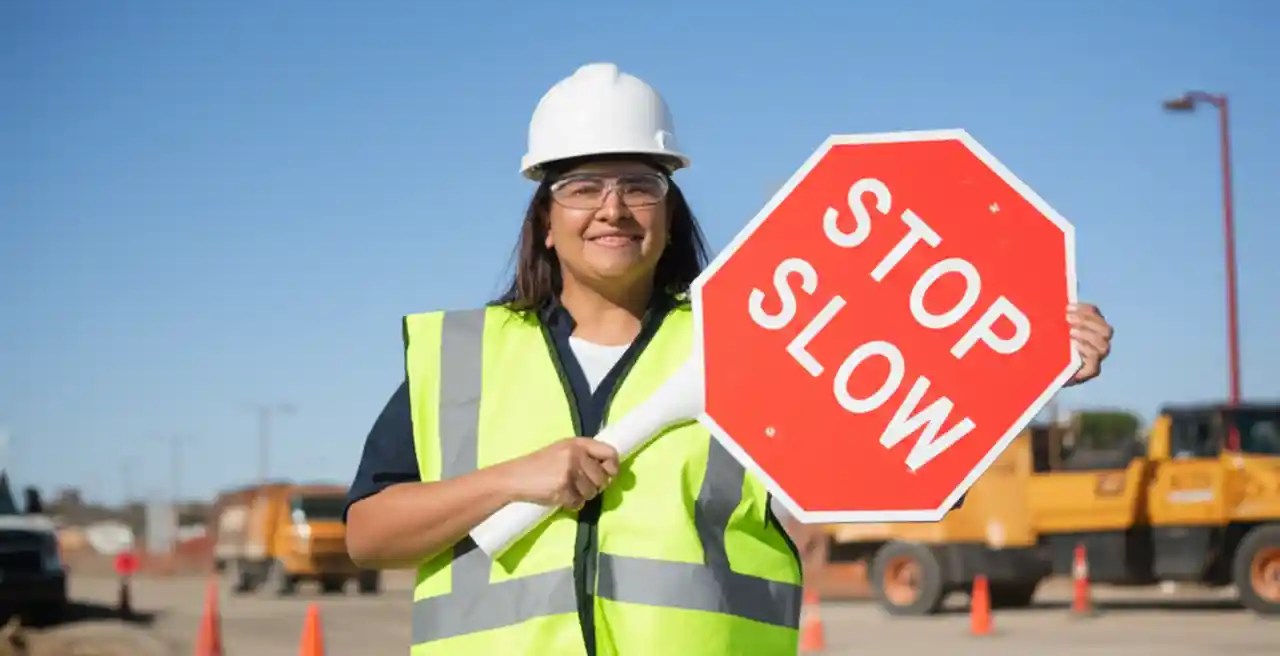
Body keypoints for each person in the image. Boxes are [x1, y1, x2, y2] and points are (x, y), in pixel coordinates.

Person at [342, 63, 1117, 655]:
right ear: (545, 220)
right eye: (582, 186)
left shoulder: (751, 336)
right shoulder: (461, 354)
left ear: (669, 213)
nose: (611, 208)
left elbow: (892, 445)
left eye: (638, 185)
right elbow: (369, 535)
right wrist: (515, 477)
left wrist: (1023, 368)